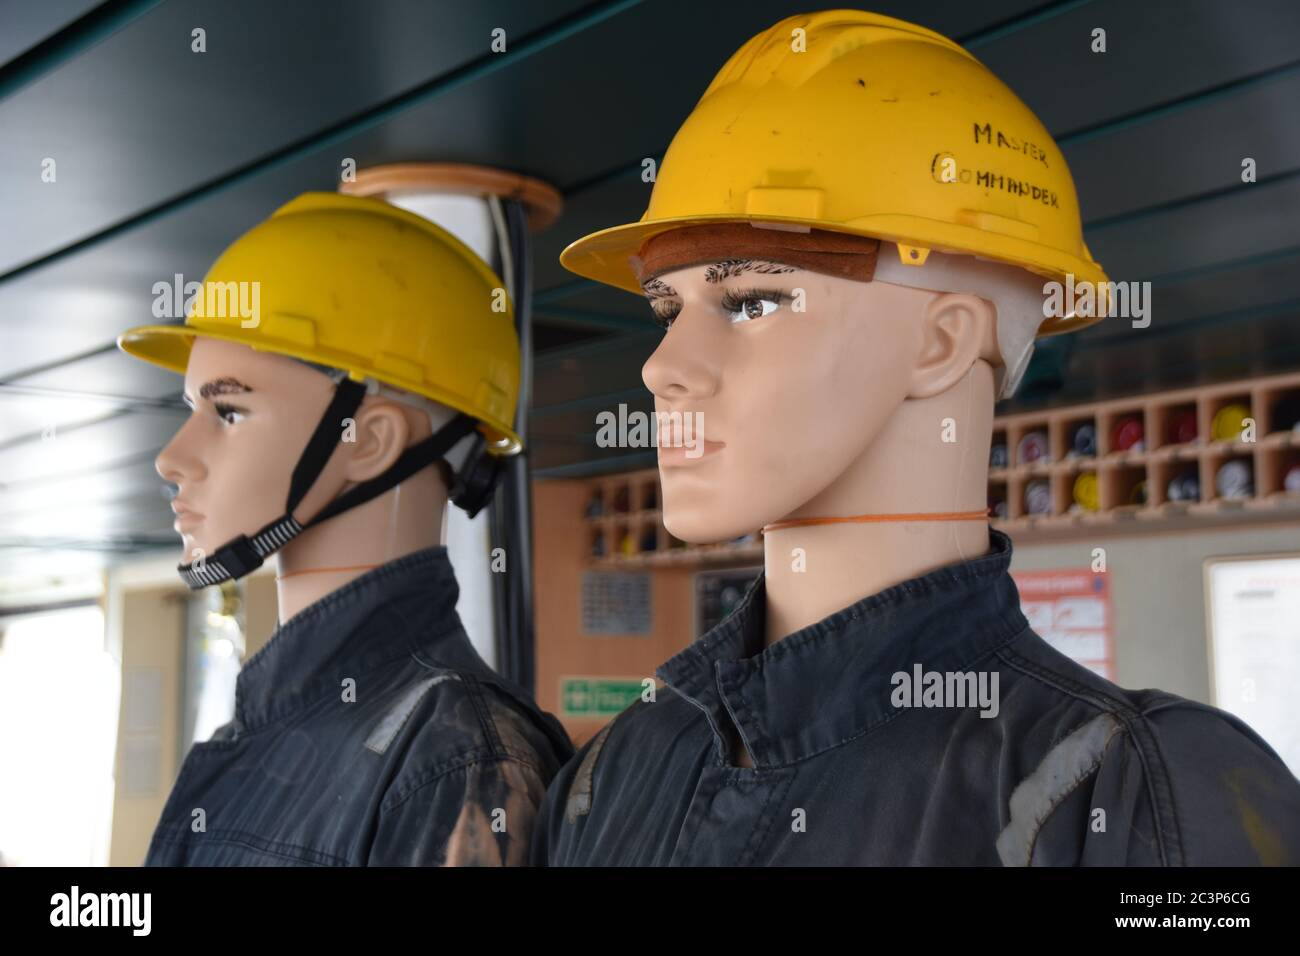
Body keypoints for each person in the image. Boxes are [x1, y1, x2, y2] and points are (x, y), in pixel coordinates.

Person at [530, 10, 1300, 866]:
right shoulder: (612, 771)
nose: (660, 368)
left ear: (941, 343)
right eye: (666, 310)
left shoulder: (1134, 795)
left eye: (751, 301)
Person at [118, 192, 572, 865]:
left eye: (230, 412)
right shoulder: (270, 724)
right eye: (191, 409)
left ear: (370, 440)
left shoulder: (457, 759)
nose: (171, 459)